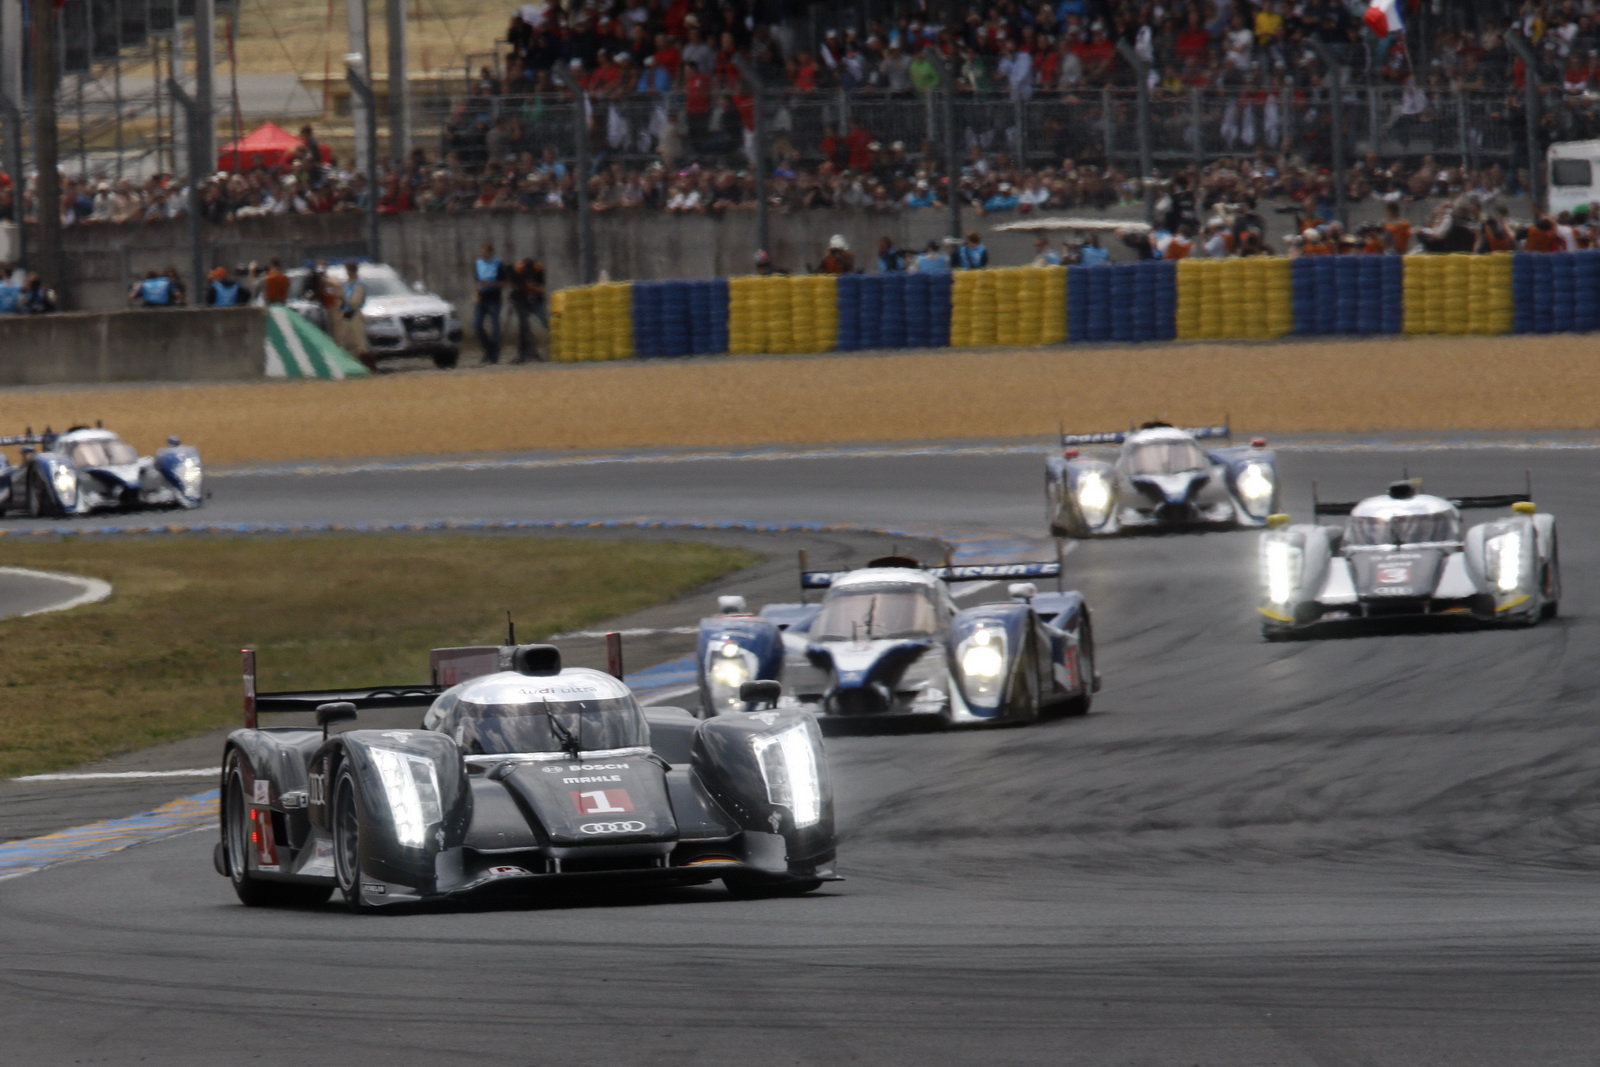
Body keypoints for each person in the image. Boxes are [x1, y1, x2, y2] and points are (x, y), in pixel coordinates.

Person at [507, 257, 547, 362]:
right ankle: (524, 353)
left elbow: (541, 290)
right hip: (522, 300)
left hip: (537, 301)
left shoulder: (539, 271)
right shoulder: (518, 271)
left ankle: (558, 345)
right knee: (523, 327)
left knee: (546, 321)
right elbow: (514, 286)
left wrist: (531, 287)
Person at [472, 242, 506, 364]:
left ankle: (494, 354)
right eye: (482, 251)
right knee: (477, 325)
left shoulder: (498, 264)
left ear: (490, 253)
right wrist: (475, 295)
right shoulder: (478, 263)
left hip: (494, 298)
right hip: (482, 297)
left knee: (495, 326)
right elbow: (476, 281)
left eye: (485, 251)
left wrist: (491, 284)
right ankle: (489, 349)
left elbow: (504, 283)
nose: (483, 253)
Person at [336, 260, 371, 367]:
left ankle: (365, 365)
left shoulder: (359, 285)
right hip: (345, 315)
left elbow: (355, 302)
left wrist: (343, 297)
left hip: (355, 315)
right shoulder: (346, 284)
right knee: (345, 342)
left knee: (359, 342)